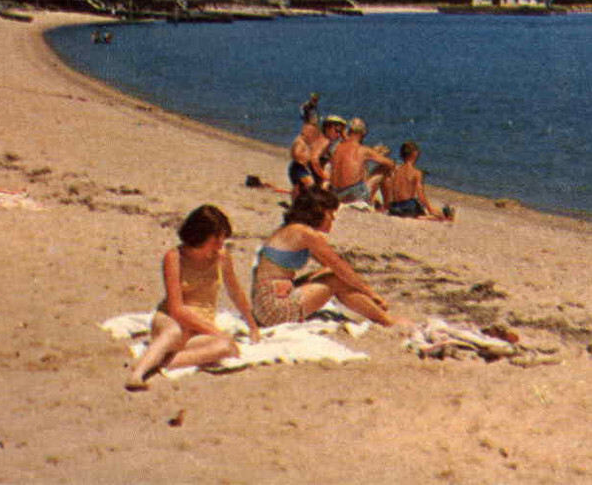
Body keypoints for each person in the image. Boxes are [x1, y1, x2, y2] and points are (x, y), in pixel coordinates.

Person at [125, 205, 260, 391]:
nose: (221, 244)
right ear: (201, 236)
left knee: (227, 347)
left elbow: (235, 292)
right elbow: (176, 309)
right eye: (216, 239)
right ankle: (137, 374)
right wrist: (215, 331)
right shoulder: (174, 258)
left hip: (200, 327)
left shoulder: (222, 258)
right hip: (172, 319)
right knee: (173, 333)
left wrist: (252, 325)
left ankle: (162, 361)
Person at [249, 189, 410, 329]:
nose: (333, 218)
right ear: (319, 212)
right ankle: (387, 321)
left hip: (262, 304)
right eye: (331, 213)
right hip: (272, 311)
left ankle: (379, 315)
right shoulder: (306, 233)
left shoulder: (291, 229)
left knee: (327, 272)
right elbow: (341, 268)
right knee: (336, 279)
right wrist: (373, 294)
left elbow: (330, 266)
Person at [380, 141, 453, 221]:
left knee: (414, 210)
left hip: (394, 207)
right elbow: (421, 195)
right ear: (414, 154)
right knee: (429, 213)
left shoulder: (396, 171)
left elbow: (389, 188)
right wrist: (429, 209)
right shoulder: (416, 173)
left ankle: (428, 215)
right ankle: (442, 216)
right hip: (408, 206)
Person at [328, 117, 392, 207]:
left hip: (335, 193)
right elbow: (390, 163)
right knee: (385, 169)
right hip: (353, 194)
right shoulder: (363, 150)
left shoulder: (336, 148)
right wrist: (376, 154)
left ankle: (376, 203)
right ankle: (387, 207)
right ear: (362, 134)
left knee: (362, 168)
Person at [288, 114, 342, 194]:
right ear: (327, 129)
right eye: (336, 131)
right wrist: (323, 175)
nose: (338, 135)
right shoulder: (325, 141)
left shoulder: (323, 139)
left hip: (299, 169)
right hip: (301, 171)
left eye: (340, 132)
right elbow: (314, 159)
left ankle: (299, 192)